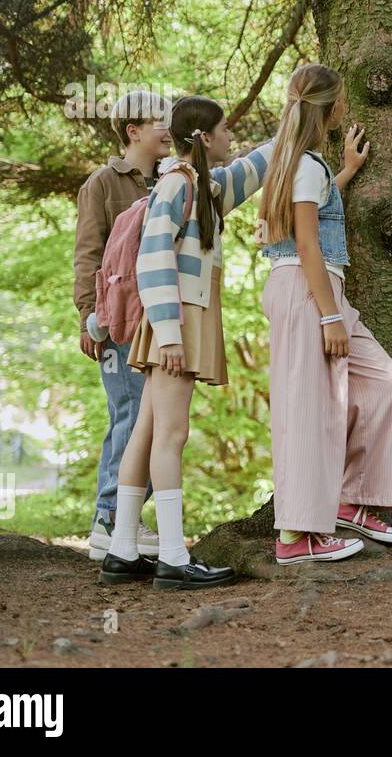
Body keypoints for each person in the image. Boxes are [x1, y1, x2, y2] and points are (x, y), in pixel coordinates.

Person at [98, 96, 274, 589]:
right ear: (204, 137)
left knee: (147, 431)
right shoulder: (178, 184)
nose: (231, 137)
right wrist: (171, 335)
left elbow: (252, 168)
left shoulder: (203, 185)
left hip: (175, 320)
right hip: (175, 320)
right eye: (224, 129)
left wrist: (299, 119)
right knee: (172, 434)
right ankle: (175, 557)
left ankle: (122, 550)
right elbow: (152, 258)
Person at [257, 63, 392, 565]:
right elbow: (306, 243)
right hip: (308, 292)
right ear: (331, 106)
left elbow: (316, 217)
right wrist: (329, 317)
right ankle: (294, 537)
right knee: (309, 413)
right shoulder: (302, 164)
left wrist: (345, 170)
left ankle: (349, 501)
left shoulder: (307, 166)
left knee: (387, 388)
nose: (346, 104)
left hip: (322, 291)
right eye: (342, 97)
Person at [73, 90, 172, 560]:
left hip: (162, 320)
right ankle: (109, 518)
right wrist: (86, 317)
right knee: (129, 416)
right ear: (133, 131)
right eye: (160, 120)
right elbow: (88, 254)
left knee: (156, 420)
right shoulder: (103, 183)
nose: (168, 128)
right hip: (118, 324)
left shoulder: (172, 181)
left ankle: (127, 520)